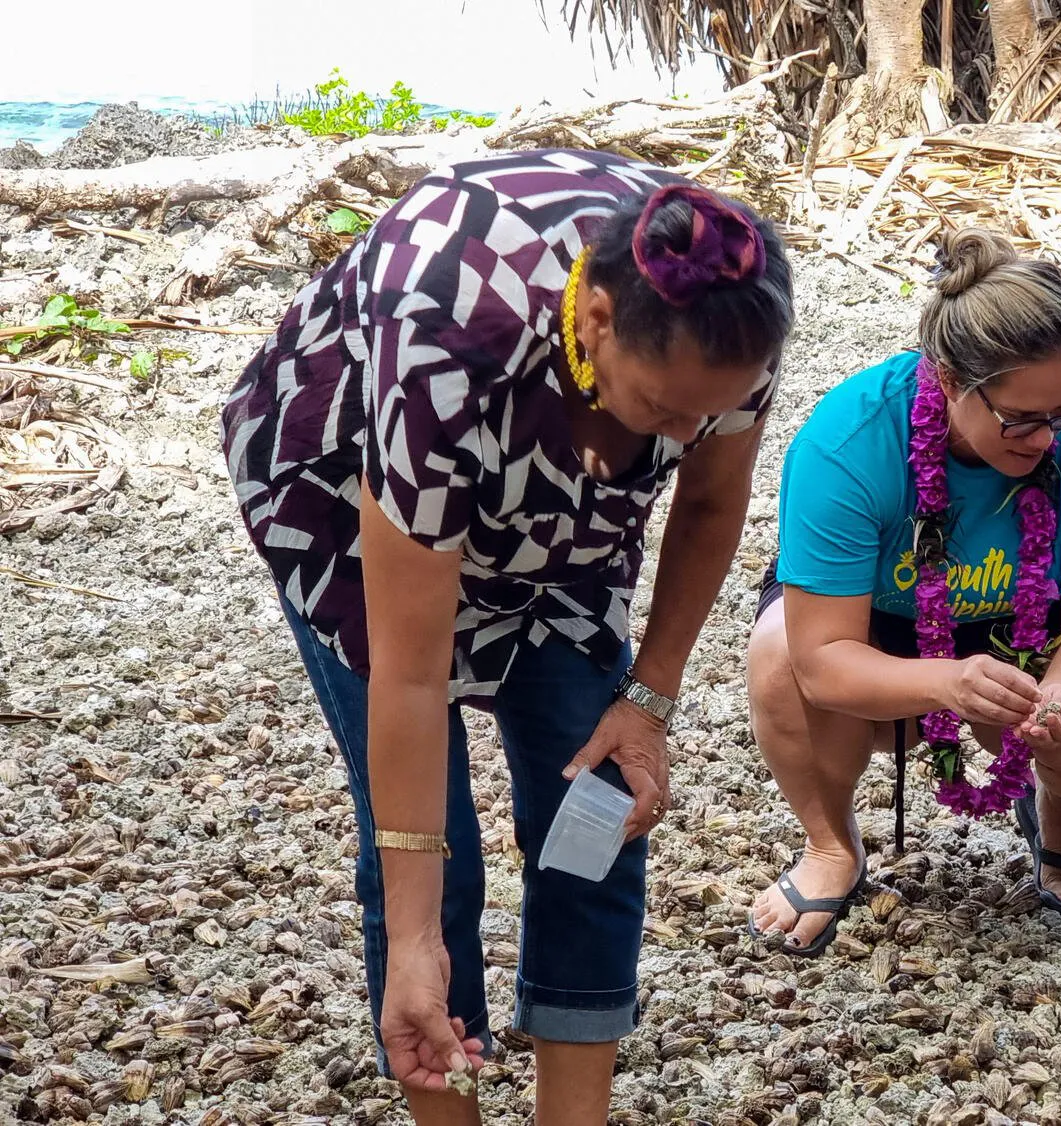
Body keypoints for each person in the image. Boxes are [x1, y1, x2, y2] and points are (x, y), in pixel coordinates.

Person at [221, 150, 794, 1125]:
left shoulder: (731, 316)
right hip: (348, 498)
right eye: (666, 409)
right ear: (599, 321)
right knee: (427, 866)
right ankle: (450, 1096)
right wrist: (410, 939)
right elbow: (410, 678)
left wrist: (647, 698)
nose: (688, 430)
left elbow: (706, 504)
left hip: (568, 522)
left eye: (708, 413)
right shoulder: (443, 321)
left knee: (592, 819)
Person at [746, 228, 1061, 955]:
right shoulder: (849, 437)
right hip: (878, 629)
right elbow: (820, 657)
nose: (1046, 437)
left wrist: (1060, 696)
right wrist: (945, 680)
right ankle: (831, 844)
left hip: (1037, 631)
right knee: (780, 653)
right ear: (945, 380)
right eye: (1021, 419)